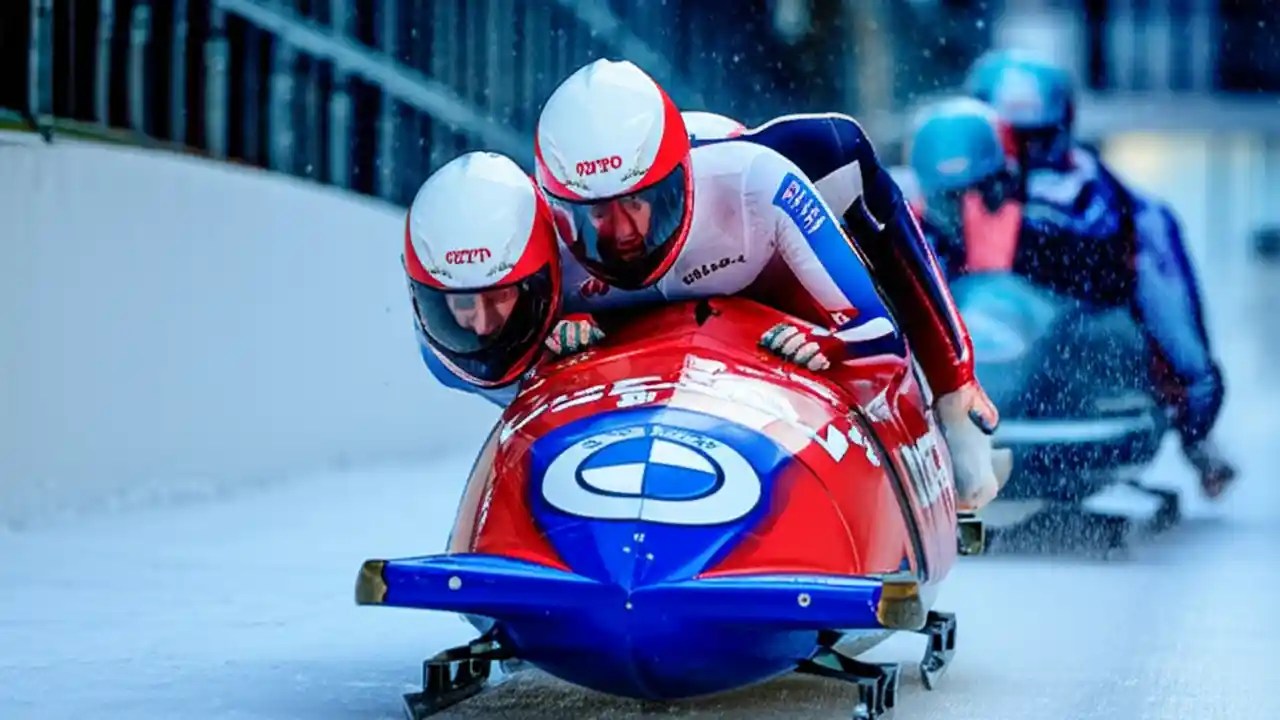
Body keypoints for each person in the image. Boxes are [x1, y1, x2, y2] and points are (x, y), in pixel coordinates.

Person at [534, 59, 1010, 510]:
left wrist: (946, 377)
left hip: (774, 298)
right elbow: (478, 363)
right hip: (644, 349)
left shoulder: (758, 180)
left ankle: (958, 413)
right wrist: (549, 346)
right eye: (596, 212)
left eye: (638, 203)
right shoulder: (537, 241)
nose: (621, 235)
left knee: (838, 160)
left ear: (678, 180)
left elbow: (878, 332)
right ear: (559, 209)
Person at [961, 52, 1235, 497]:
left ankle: (1197, 435)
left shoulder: (1112, 204)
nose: (1025, 152)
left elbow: (1118, 271)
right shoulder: (953, 188)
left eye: (1037, 138)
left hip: (1063, 354)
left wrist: (1198, 403)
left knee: (1188, 361)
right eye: (1013, 138)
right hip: (981, 356)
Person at [403, 151, 603, 408]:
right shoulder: (442, 362)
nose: (484, 326)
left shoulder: (589, 261)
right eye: (464, 304)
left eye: (499, 296)